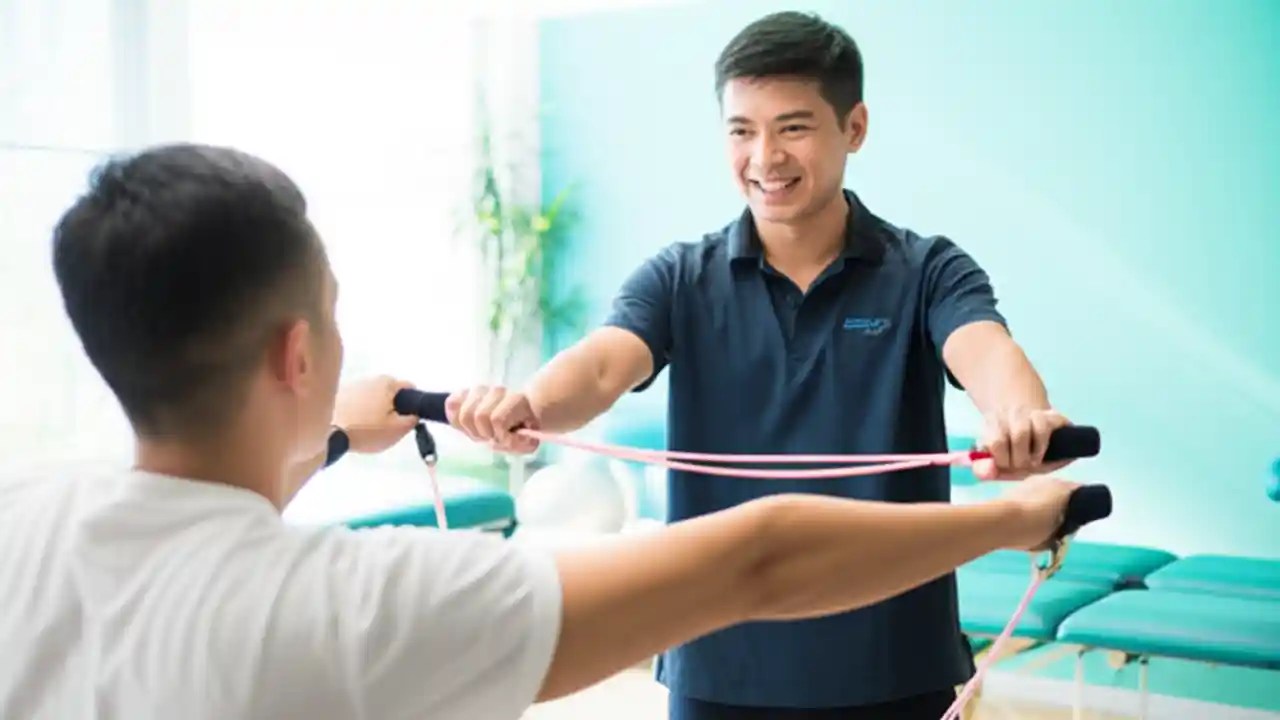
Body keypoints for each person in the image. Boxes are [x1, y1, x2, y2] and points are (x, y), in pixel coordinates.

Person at [0, 142, 1085, 720]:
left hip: (890, 668)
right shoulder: (372, 605)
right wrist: (1017, 518)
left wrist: (332, 434)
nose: (764, 154)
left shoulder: (21, 525)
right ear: (296, 354)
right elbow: (760, 556)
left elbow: (195, 517)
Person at [447, 10, 1075, 720]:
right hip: (719, 663)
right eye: (742, 130)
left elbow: (986, 350)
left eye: (794, 127)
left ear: (855, 127)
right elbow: (596, 370)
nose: (765, 157)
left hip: (894, 660)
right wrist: (528, 406)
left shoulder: (927, 270)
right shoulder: (680, 278)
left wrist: (1020, 415)